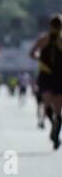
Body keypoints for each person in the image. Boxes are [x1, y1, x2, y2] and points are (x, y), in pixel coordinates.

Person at [29, 14, 62, 149]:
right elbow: (32, 53)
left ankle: (55, 133)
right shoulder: (45, 39)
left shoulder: (54, 40)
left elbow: (32, 53)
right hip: (49, 75)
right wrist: (40, 58)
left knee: (54, 106)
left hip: (55, 76)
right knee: (51, 105)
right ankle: (54, 126)